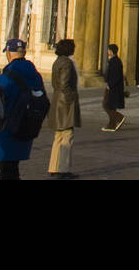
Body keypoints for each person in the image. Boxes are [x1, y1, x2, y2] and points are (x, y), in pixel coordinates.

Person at [0, 38, 45, 179]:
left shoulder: (5, 77)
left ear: (8, 52)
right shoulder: (35, 76)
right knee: (12, 169)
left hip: (7, 130)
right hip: (27, 127)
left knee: (7, 171)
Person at [48, 39, 80, 179]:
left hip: (57, 99)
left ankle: (53, 166)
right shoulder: (67, 63)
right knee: (67, 136)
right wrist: (71, 97)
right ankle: (63, 168)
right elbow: (64, 83)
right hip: (65, 102)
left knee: (58, 136)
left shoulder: (57, 61)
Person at [102, 44, 126, 131]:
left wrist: (109, 85)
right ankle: (111, 125)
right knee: (111, 106)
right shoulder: (114, 61)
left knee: (106, 104)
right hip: (113, 87)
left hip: (113, 88)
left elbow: (116, 76)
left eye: (108, 50)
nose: (107, 52)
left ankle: (119, 117)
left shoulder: (115, 61)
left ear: (111, 51)